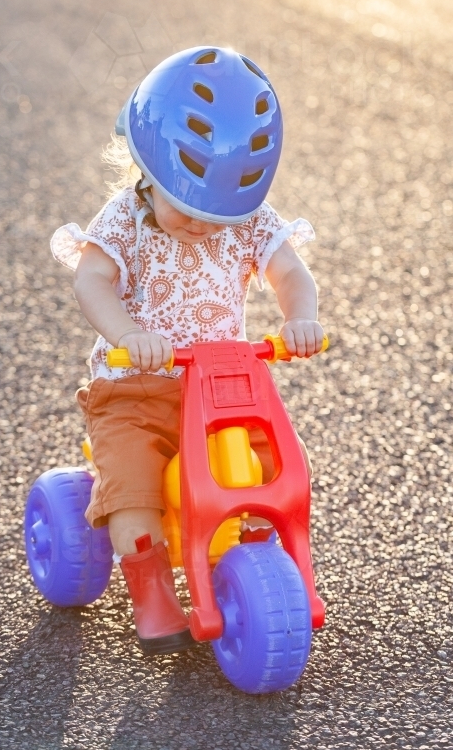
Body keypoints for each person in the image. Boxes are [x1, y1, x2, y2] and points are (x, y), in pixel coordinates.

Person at [51, 46, 324, 655]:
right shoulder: (126, 217)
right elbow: (91, 280)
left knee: (273, 463)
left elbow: (291, 274)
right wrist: (129, 337)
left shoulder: (246, 217)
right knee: (133, 481)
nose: (206, 226)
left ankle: (260, 550)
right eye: (191, 208)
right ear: (147, 167)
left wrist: (300, 317)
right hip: (136, 387)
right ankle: (151, 591)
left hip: (226, 387)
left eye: (221, 215)